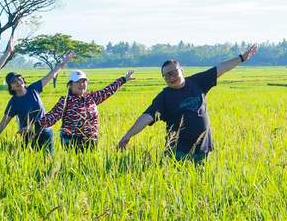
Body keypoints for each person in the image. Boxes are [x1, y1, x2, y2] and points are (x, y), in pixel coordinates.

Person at [116, 45, 258, 163]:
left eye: (173, 72)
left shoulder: (197, 82)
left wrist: (241, 58)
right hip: (178, 151)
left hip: (202, 149)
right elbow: (146, 117)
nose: (171, 77)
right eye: (166, 75)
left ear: (181, 70)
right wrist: (128, 135)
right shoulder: (164, 97)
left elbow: (221, 68)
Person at [0, 51, 76, 151]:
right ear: (11, 87)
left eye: (19, 79)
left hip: (45, 132)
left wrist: (65, 60)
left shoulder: (33, 89)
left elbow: (52, 73)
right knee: (31, 163)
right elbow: (3, 123)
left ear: (23, 80)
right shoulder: (13, 102)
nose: (18, 82)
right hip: (28, 135)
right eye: (14, 82)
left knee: (48, 161)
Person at [37, 68, 135, 151]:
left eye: (84, 81)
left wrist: (123, 79)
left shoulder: (91, 97)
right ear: (70, 85)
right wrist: (34, 127)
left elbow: (108, 90)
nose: (82, 84)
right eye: (78, 82)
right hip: (71, 141)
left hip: (91, 140)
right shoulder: (65, 100)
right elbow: (52, 116)